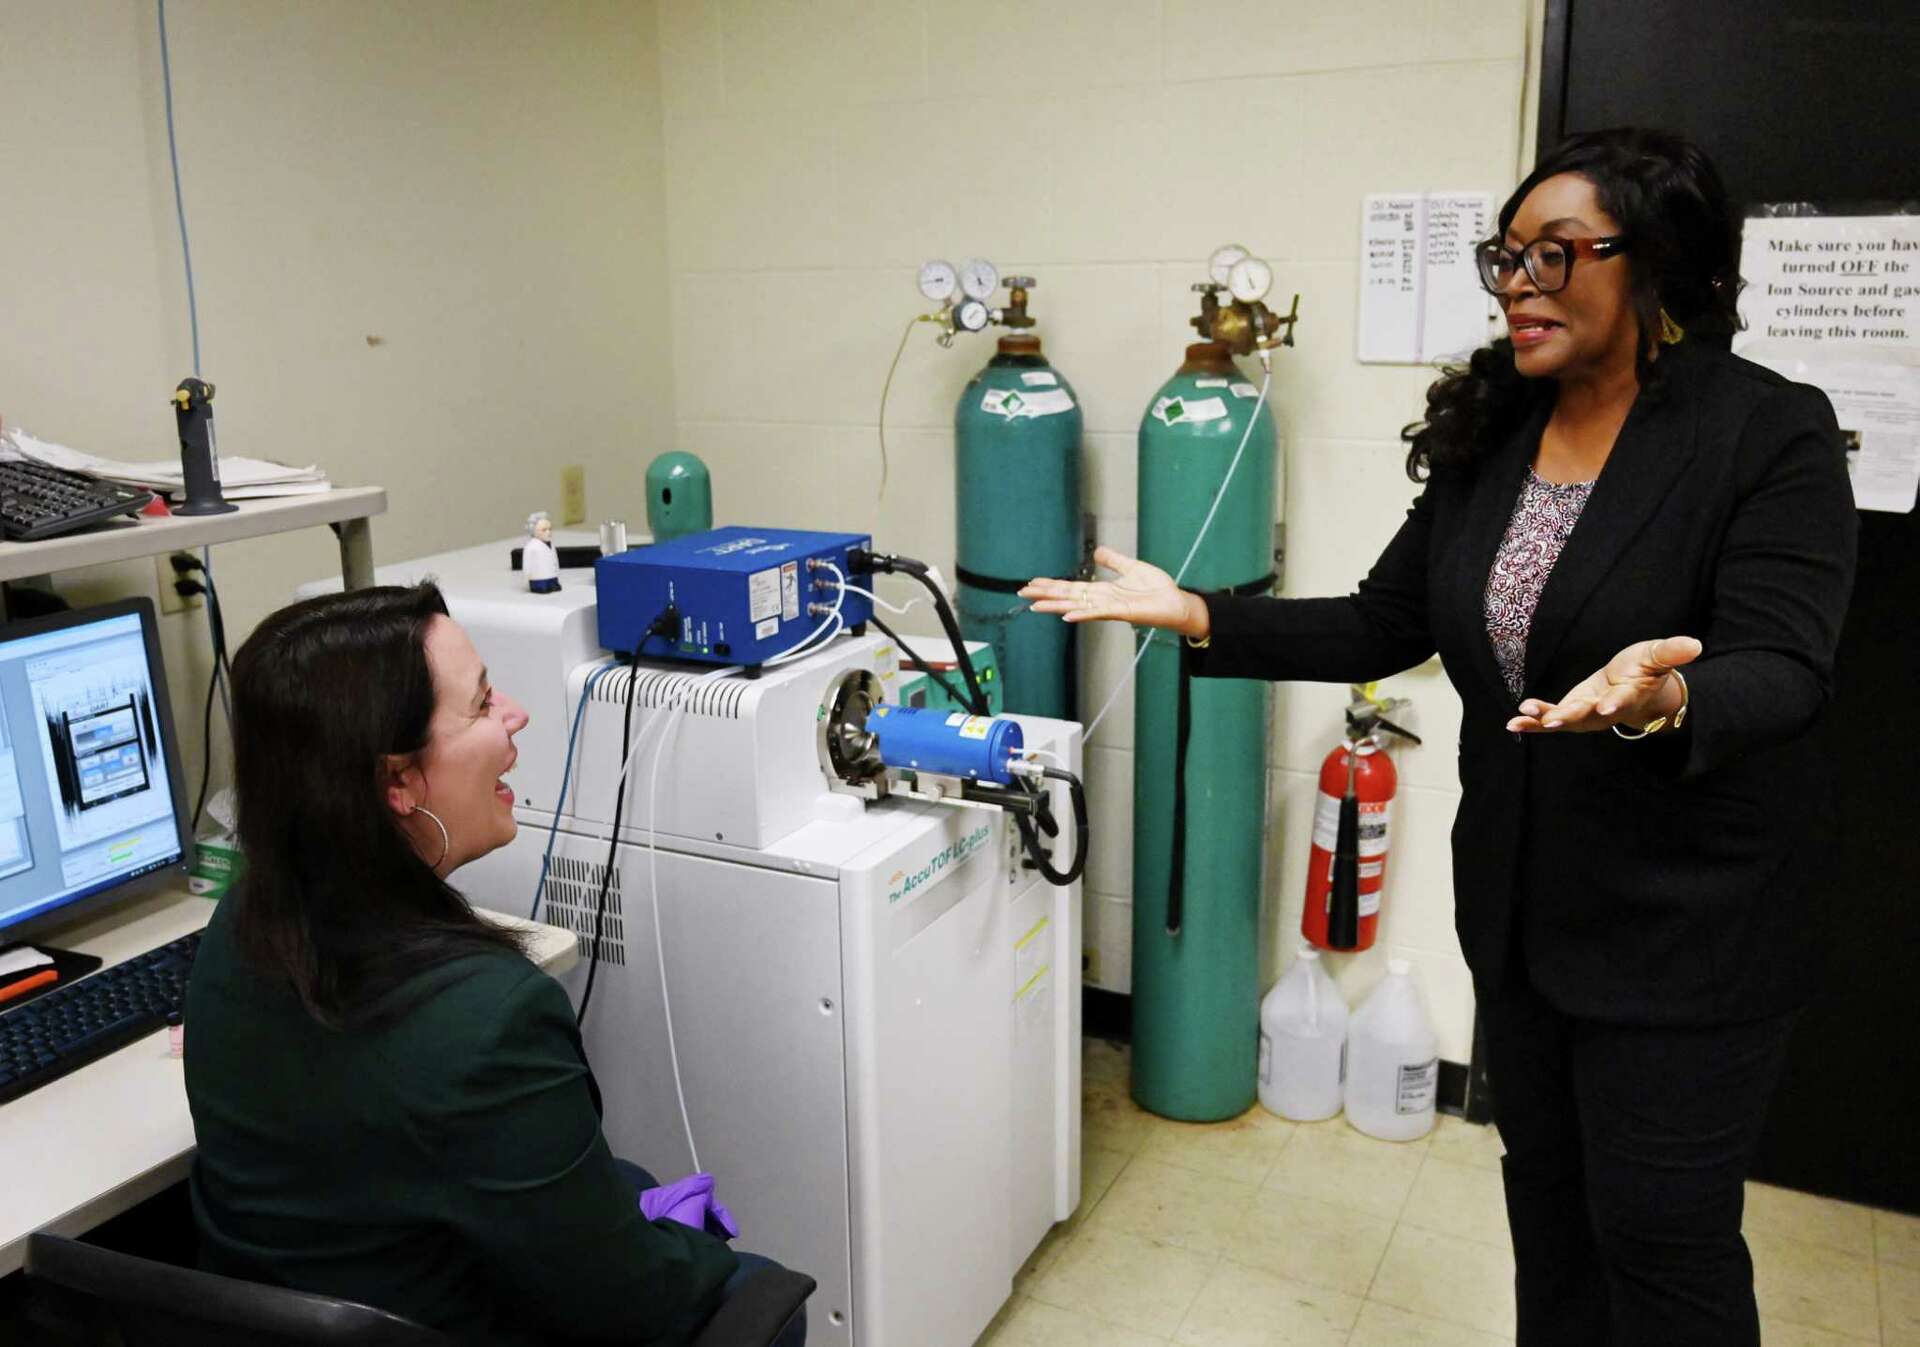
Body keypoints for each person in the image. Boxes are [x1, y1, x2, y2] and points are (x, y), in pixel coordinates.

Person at [1022, 128, 1856, 1347]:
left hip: (1689, 929)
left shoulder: (1763, 431)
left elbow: (1784, 667)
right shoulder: (1500, 430)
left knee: (1660, 1241)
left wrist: (1667, 697)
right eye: (1505, 257)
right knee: (1550, 1213)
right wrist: (1200, 612)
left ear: (1654, 260)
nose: (1518, 283)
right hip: (1524, 916)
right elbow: (1386, 620)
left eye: (1556, 255)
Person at [184, 582, 805, 1346]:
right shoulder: (490, 1023)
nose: (515, 713)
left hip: (329, 1297)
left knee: (631, 1188)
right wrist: (695, 1251)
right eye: (481, 704)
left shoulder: (240, 920)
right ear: (398, 781)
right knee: (761, 1294)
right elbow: (634, 1305)